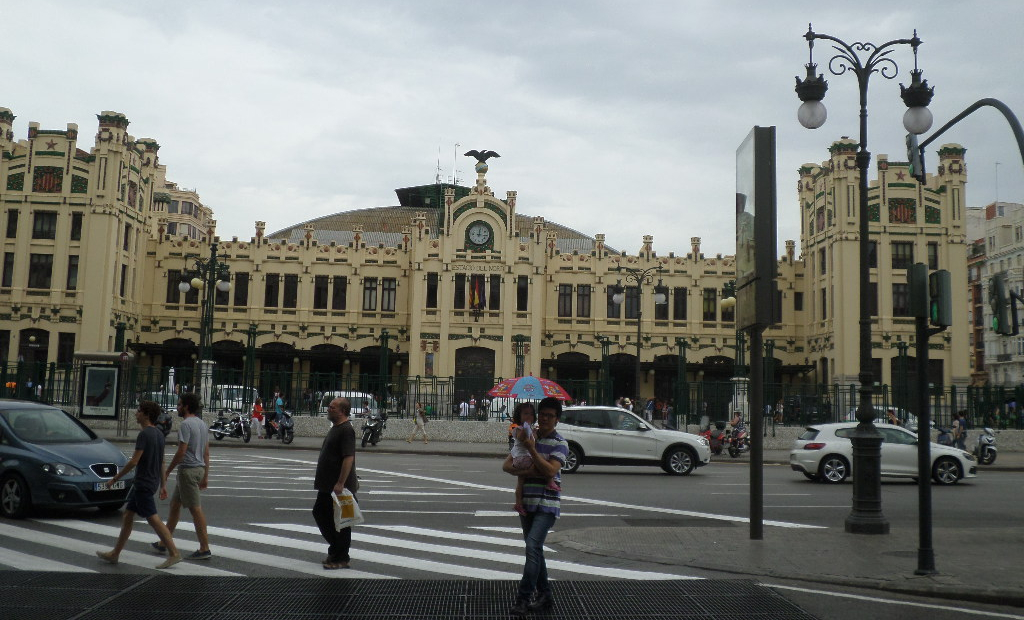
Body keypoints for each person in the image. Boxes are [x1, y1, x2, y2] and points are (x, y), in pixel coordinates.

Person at [502, 397, 568, 617]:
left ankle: (523, 598)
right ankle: (546, 595)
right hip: (527, 502)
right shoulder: (529, 437)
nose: (545, 419)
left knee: (532, 548)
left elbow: (551, 471)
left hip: (547, 504)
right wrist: (529, 469)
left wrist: (533, 451)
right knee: (535, 550)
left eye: (550, 416)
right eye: (543, 415)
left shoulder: (560, 443)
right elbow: (507, 465)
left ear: (557, 420)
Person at [97, 401, 181, 569]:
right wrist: (163, 485)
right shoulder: (158, 434)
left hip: (143, 483)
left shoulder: (144, 435)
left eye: (139, 411)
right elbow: (162, 461)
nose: (136, 413)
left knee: (154, 519)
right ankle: (115, 554)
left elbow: (134, 461)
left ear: (146, 415)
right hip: (149, 482)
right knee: (128, 516)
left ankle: (174, 553)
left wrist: (115, 478)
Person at [152, 392, 212, 560]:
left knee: (195, 510)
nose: (177, 408)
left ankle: (204, 547)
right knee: (175, 505)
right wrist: (206, 475)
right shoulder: (201, 424)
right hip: (198, 469)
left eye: (179, 405)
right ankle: (164, 541)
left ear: (186, 406)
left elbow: (181, 452)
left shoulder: (186, 425)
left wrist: (168, 470)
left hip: (188, 471)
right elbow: (206, 453)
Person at [313, 397, 358, 569]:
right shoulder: (337, 428)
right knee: (322, 514)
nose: (328, 409)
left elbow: (348, 458)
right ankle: (336, 551)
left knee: (342, 523)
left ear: (342, 411)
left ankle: (340, 557)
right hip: (328, 485)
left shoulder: (346, 430)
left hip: (339, 487)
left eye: (332, 407)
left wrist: (341, 483)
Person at [505, 401, 559, 516]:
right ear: (519, 416)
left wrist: (532, 431)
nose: (528, 416)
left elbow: (532, 438)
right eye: (525, 414)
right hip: (522, 458)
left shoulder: (559, 443)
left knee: (520, 482)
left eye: (530, 414)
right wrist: (527, 429)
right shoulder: (520, 428)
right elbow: (522, 438)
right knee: (539, 464)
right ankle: (550, 480)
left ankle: (518, 503)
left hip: (521, 458)